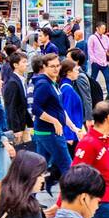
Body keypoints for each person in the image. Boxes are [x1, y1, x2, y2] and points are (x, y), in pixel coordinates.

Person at [30, 53, 72, 190]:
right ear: (44, 67)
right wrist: (54, 121)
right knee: (68, 167)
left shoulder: (53, 82)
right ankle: (71, 201)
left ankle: (27, 200)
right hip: (49, 132)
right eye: (52, 66)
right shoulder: (43, 84)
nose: (55, 69)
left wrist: (72, 126)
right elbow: (35, 108)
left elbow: (59, 108)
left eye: (57, 66)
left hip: (47, 132)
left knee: (38, 170)